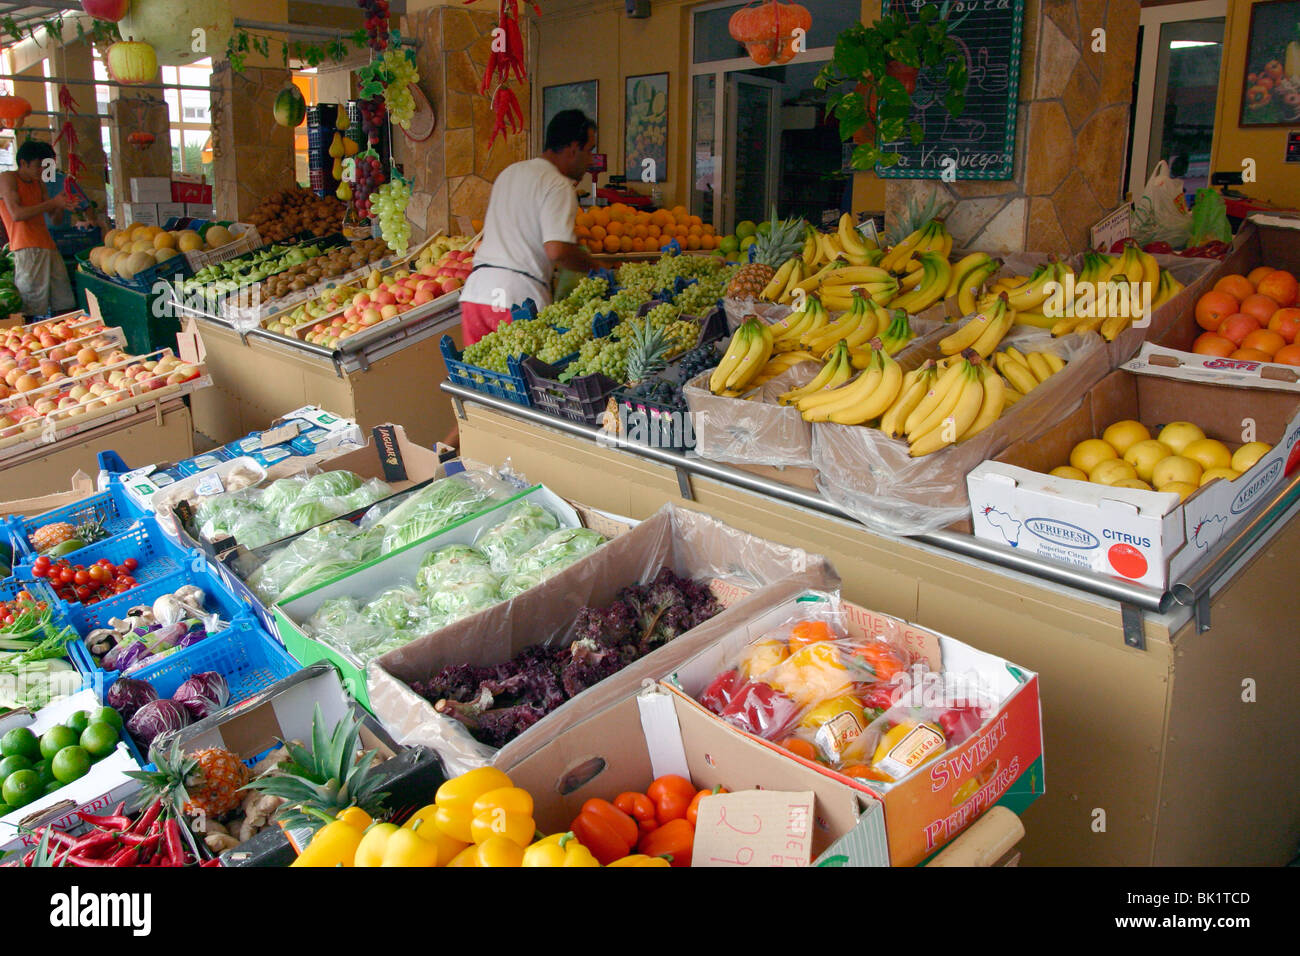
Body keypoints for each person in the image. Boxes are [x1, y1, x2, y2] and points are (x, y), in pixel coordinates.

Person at [459, 109, 600, 346]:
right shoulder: (558, 184)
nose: (590, 161)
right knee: (521, 380)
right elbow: (557, 250)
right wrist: (597, 267)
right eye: (589, 152)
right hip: (515, 299)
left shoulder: (510, 172)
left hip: (476, 294)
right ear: (573, 148)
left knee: (476, 379)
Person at [0, 140, 78, 318]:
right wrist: (53, 202)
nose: (42, 171)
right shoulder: (7, 178)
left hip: (48, 246)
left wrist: (62, 204)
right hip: (26, 248)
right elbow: (17, 214)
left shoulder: (39, 183)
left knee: (64, 303)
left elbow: (55, 220)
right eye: (38, 166)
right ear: (23, 163)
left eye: (45, 166)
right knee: (30, 307)